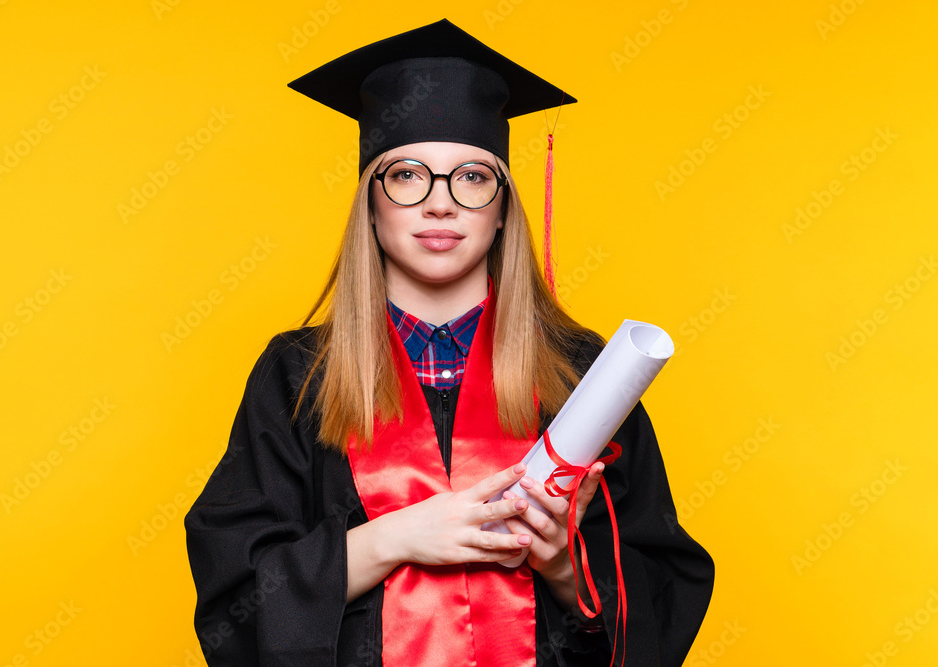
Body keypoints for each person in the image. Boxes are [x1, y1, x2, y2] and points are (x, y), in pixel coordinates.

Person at [185, 18, 714, 667]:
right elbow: (234, 598)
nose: (442, 204)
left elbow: (665, 594)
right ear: (371, 206)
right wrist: (395, 537)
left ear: (503, 209)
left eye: (471, 177)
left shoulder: (581, 375)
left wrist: (563, 566)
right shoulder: (299, 377)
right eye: (408, 175)